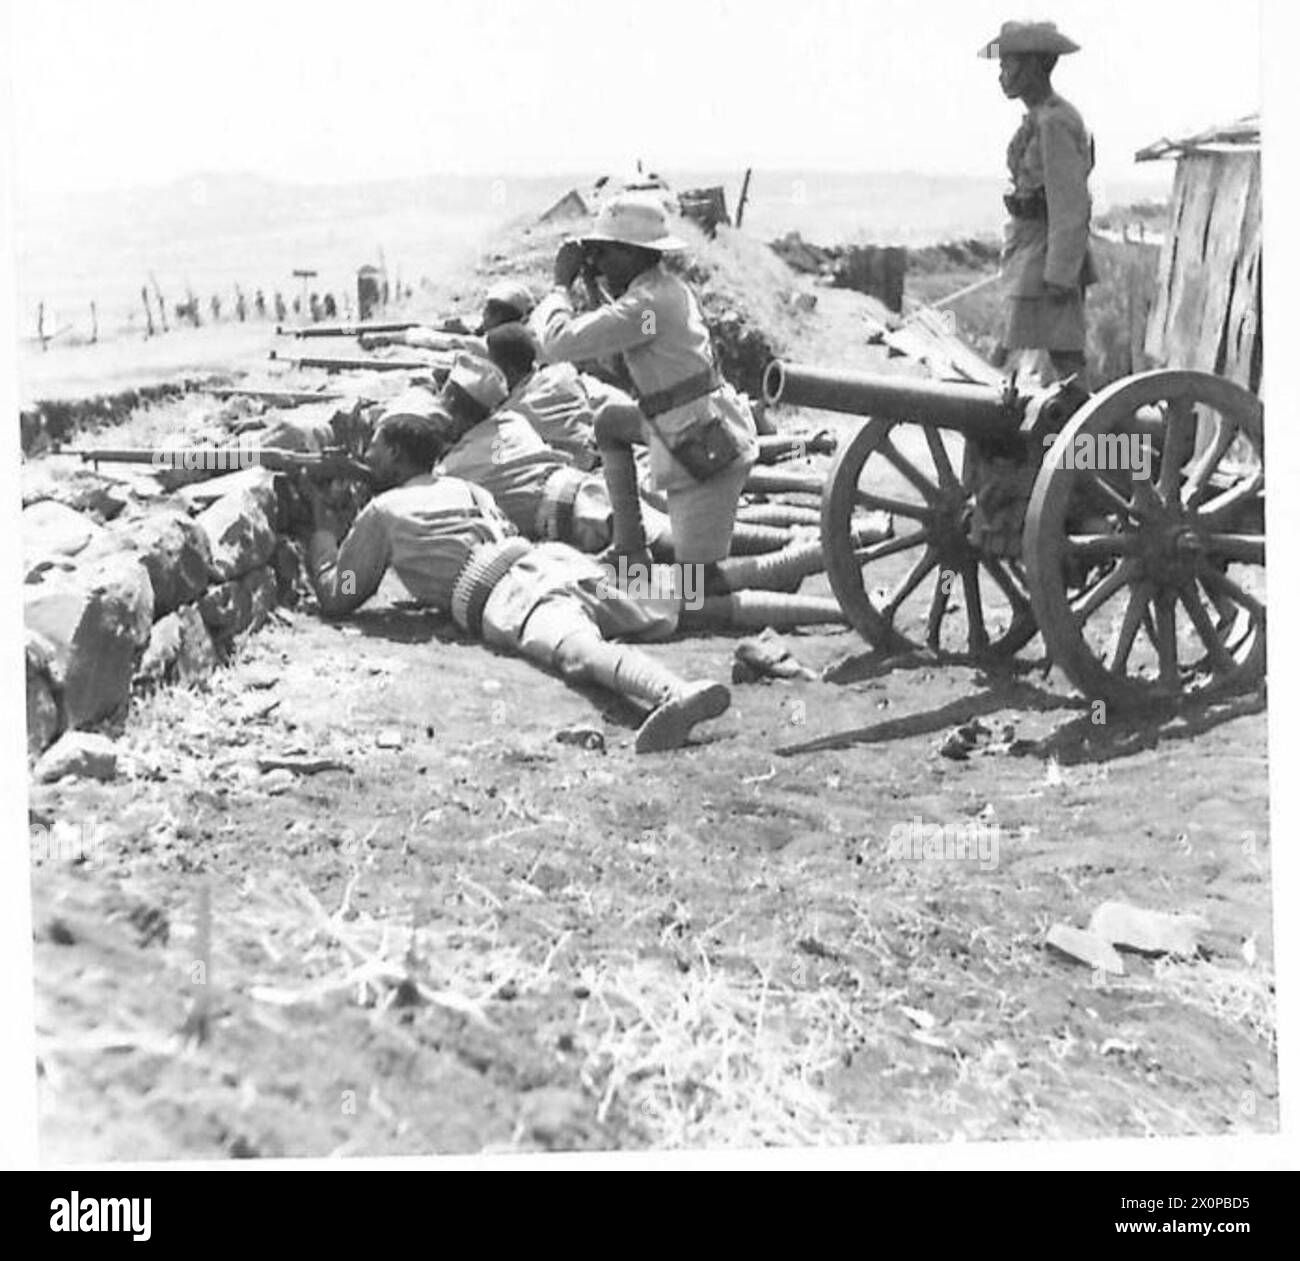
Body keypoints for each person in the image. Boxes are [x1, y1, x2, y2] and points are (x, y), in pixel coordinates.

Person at [298, 408, 733, 752]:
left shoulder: (385, 511)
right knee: (679, 597)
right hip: (553, 561)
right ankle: (795, 567)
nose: (366, 459)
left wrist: (318, 527)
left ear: (395, 455)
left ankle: (674, 692)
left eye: (373, 449)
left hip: (509, 595)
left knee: (579, 652)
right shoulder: (467, 488)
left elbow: (340, 596)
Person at [533, 193, 759, 585]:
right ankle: (630, 549)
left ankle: (811, 558)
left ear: (632, 254)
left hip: (704, 450)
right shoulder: (661, 292)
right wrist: (591, 285)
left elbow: (558, 344)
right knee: (609, 422)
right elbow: (617, 352)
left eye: (604, 253)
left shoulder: (647, 307)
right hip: (683, 425)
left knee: (696, 590)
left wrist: (559, 286)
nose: (598, 263)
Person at [979, 20, 1096, 389]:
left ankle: (1099, 441)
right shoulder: (1038, 118)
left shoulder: (1056, 122)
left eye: (1008, 64)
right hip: (1028, 247)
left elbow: (1070, 205)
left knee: (1064, 356)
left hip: (1046, 254)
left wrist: (1061, 273)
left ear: (1034, 65)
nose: (1002, 74)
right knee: (1010, 347)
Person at [360, 279, 534, 355]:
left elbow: (430, 339)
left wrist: (382, 338)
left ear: (496, 317)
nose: (482, 314)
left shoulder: (490, 346)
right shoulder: (523, 340)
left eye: (487, 310)